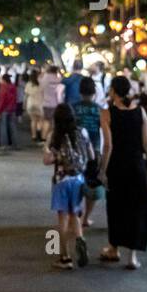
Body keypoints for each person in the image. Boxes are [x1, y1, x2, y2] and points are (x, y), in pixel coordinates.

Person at [98, 76, 147, 270]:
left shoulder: (106, 114)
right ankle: (132, 256)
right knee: (136, 209)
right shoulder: (140, 112)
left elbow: (108, 146)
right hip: (137, 166)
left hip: (117, 167)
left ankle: (114, 248)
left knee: (115, 208)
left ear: (113, 91)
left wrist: (102, 171)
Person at [44, 103, 90, 270]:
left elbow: (46, 160)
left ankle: (65, 257)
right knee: (75, 215)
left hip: (61, 181)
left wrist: (53, 153)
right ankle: (80, 239)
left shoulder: (55, 136)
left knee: (62, 220)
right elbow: (90, 155)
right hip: (78, 179)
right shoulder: (81, 133)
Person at [72, 77, 104, 229]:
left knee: (77, 183)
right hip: (94, 151)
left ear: (80, 91)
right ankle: (86, 217)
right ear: (94, 92)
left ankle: (76, 215)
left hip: (76, 152)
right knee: (91, 184)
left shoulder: (73, 108)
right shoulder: (99, 110)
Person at [39, 64, 64, 142]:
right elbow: (63, 82)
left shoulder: (44, 78)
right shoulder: (58, 79)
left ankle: (43, 138)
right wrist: (61, 72)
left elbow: (40, 85)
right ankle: (52, 139)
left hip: (46, 103)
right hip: (56, 104)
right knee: (54, 123)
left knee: (46, 121)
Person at [0, 72, 19, 150]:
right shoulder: (13, 87)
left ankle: (4, 144)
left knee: (3, 127)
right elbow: (15, 98)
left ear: (3, 80)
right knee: (13, 127)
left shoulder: (3, 87)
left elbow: (1, 100)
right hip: (12, 109)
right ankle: (15, 144)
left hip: (4, 110)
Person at [23, 70, 43, 142]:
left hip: (30, 104)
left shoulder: (29, 84)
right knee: (40, 121)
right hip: (39, 104)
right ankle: (39, 134)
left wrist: (24, 105)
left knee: (33, 121)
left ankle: (33, 136)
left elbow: (26, 96)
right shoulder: (41, 83)